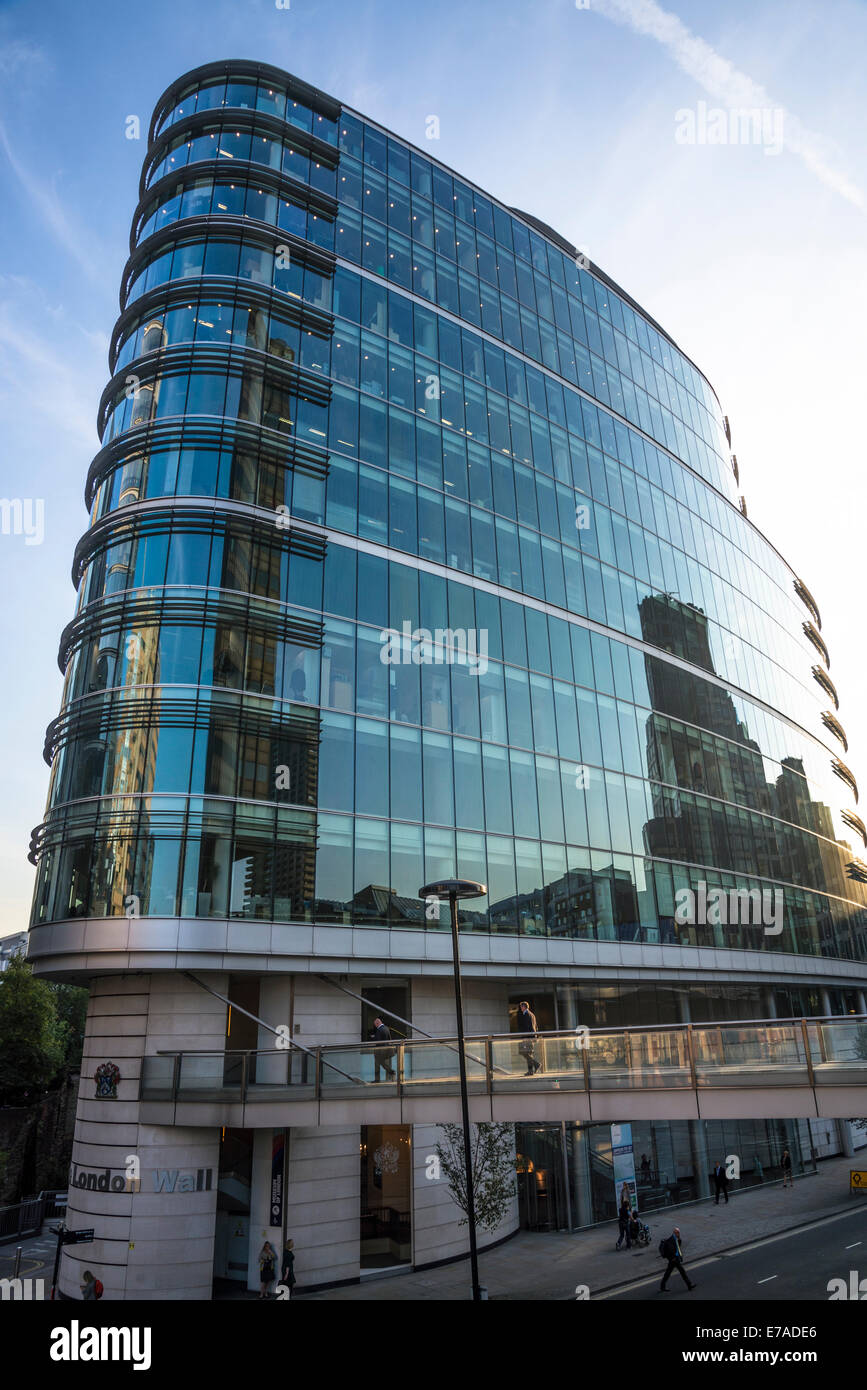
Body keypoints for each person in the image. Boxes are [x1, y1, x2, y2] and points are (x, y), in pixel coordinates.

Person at [659, 1227, 696, 1292]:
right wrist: (673, 1258)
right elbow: (671, 1250)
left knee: (668, 1273)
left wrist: (679, 1239)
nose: (679, 1234)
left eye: (679, 1232)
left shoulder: (675, 1238)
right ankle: (689, 1285)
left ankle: (662, 1286)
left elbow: (678, 1246)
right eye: (678, 1232)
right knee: (682, 1272)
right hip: (674, 1260)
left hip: (675, 1259)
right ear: (675, 1233)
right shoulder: (671, 1240)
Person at [516, 1000, 541, 1075]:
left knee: (525, 1053)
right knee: (528, 1053)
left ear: (524, 1007)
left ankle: (534, 1066)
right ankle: (532, 1069)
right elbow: (536, 1026)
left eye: (521, 1007)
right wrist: (536, 1037)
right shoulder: (532, 1014)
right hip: (531, 1037)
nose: (520, 1008)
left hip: (527, 1037)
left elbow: (526, 1027)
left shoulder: (526, 1014)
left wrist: (525, 1038)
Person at [371, 1017, 395, 1082]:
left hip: (380, 1050)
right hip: (387, 1049)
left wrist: (373, 1037)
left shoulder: (379, 1030)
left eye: (375, 1024)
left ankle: (390, 1072)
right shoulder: (386, 1028)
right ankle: (389, 1077)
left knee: (378, 1064)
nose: (375, 1026)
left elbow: (378, 1041)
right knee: (384, 1063)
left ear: (377, 1023)